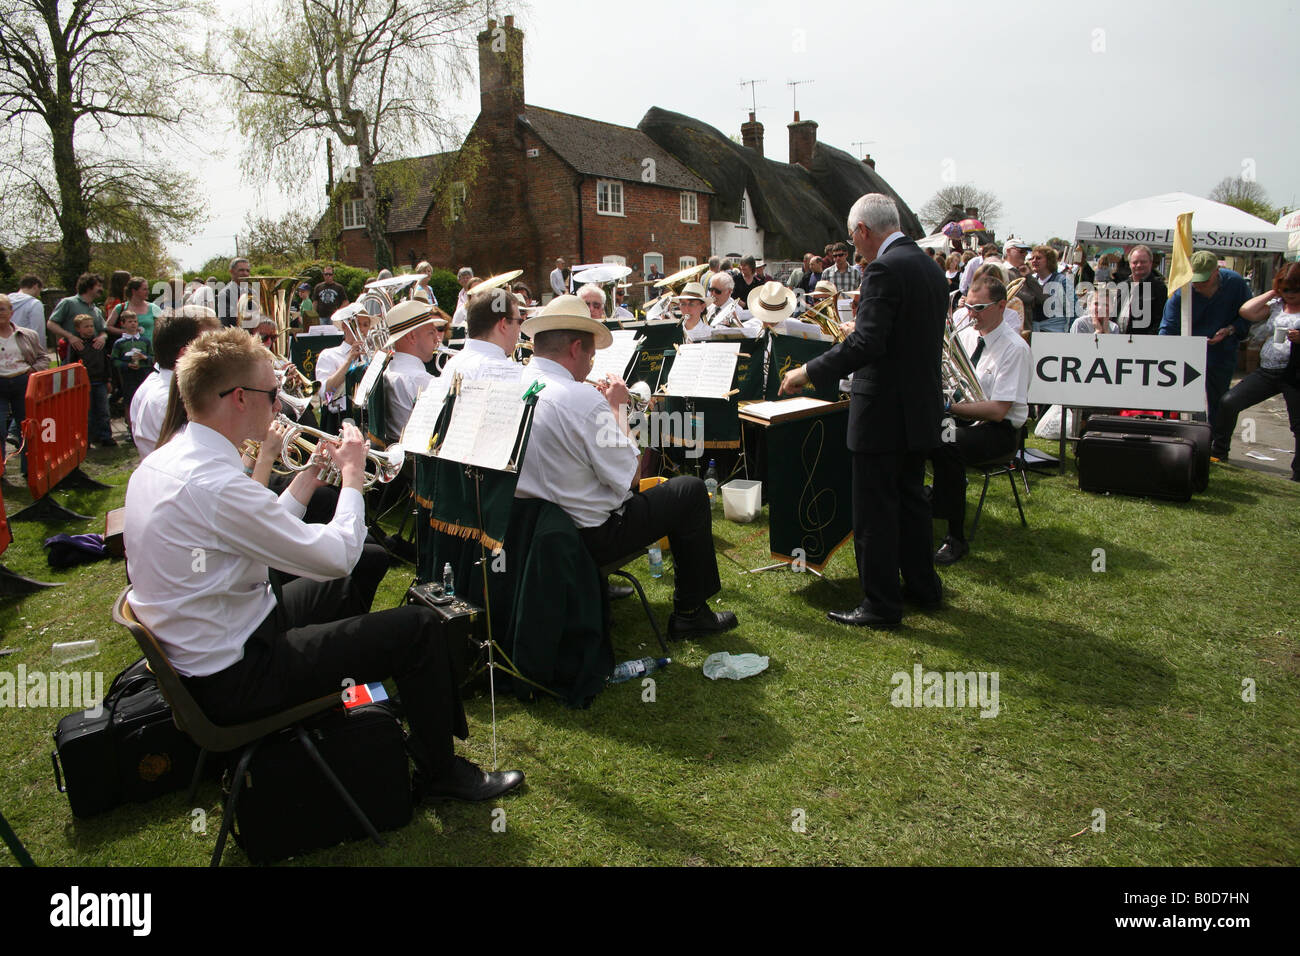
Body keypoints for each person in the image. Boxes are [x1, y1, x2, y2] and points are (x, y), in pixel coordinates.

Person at [125, 326, 522, 801]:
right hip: (235, 675)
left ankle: (359, 698)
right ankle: (441, 772)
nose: (279, 405)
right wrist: (353, 477)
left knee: (369, 562)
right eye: (272, 394)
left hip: (221, 639)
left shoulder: (175, 460)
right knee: (420, 627)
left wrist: (311, 478)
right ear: (236, 398)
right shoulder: (212, 481)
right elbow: (333, 557)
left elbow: (257, 524)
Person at [516, 294, 737, 639]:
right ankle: (691, 613)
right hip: (587, 535)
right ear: (575, 348)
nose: (590, 365)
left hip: (530, 529)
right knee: (690, 491)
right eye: (591, 355)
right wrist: (618, 409)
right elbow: (631, 478)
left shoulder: (514, 384)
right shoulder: (581, 398)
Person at [778, 193, 945, 629]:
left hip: (883, 410)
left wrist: (807, 372)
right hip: (919, 404)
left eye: (854, 237)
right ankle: (925, 588)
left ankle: (881, 605)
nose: (854, 247)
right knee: (912, 500)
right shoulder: (929, 265)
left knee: (873, 510)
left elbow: (869, 344)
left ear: (863, 231)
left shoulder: (884, 269)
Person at [929, 274, 1031, 565]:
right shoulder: (968, 335)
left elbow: (999, 410)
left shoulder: (1015, 348)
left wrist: (950, 407)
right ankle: (920, 505)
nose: (970, 314)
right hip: (964, 419)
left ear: (1001, 306)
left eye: (979, 308)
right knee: (915, 430)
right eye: (967, 306)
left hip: (999, 433)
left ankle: (955, 537)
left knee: (947, 445)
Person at [1211, 263, 1300, 479]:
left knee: (1298, 424)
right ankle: (1219, 451)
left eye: (1294, 290)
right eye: (1285, 289)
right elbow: (1246, 311)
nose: (1289, 295)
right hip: (1268, 369)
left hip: (1295, 373)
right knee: (1229, 402)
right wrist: (1273, 291)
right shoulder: (1277, 304)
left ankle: (1298, 473)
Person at [1159, 251, 1251, 422]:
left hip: (1221, 353)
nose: (1198, 285)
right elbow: (1167, 327)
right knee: (1182, 402)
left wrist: (1230, 329)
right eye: (1195, 279)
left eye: (1204, 280)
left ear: (1217, 271)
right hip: (1187, 354)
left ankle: (1217, 443)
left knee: (1221, 403)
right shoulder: (1182, 290)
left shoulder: (1236, 284)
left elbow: (1248, 316)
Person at [131, 307, 218, 458]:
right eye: (213, 348)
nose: (220, 354)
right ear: (185, 354)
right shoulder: (169, 399)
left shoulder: (154, 382)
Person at [382, 299, 447, 443]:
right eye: (431, 333)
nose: (437, 340)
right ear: (411, 336)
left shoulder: (390, 368)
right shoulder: (419, 379)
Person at [0, 294, 48, 477]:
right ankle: (1, 469)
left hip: (23, 384)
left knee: (27, 429)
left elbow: (43, 357)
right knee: (0, 429)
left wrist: (33, 370)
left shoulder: (27, 334)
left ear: (11, 312)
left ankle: (29, 469)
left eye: (2, 309)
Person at [314, 311, 371, 433]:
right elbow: (325, 394)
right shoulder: (329, 355)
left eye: (366, 325)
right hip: (340, 420)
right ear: (345, 326)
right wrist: (349, 361)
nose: (362, 330)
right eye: (357, 324)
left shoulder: (371, 356)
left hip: (368, 416)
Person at [70, 315, 114, 446]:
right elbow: (71, 364)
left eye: (91, 326)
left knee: (104, 411)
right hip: (84, 384)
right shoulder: (76, 346)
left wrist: (108, 380)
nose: (90, 329)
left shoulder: (99, 343)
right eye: (86, 326)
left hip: (100, 381)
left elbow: (106, 363)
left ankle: (106, 436)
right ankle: (87, 439)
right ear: (78, 329)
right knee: (86, 413)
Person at [111, 311, 154, 438]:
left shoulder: (145, 341)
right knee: (129, 401)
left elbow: (152, 358)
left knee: (145, 399)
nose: (133, 324)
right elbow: (114, 360)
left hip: (144, 373)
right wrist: (126, 365)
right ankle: (131, 428)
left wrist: (144, 357)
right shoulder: (119, 343)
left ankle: (146, 427)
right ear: (123, 324)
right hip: (128, 376)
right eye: (129, 322)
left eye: (135, 321)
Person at [48, 273, 106, 359]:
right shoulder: (68, 303)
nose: (101, 289)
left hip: (94, 357)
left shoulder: (96, 310)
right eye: (99, 286)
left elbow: (103, 331)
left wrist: (102, 337)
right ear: (88, 286)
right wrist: (70, 337)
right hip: (73, 355)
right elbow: (51, 324)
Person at [1117, 244, 1167, 334]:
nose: (1139, 265)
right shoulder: (1122, 286)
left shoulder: (1159, 287)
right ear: (1129, 264)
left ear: (1151, 263)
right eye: (1135, 262)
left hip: (1144, 342)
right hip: (1119, 340)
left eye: (1143, 262)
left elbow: (1160, 320)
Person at [1027, 245, 1075, 333]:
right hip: (1034, 331)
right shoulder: (1031, 280)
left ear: (1049, 261)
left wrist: (1069, 334)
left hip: (1055, 332)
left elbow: (1071, 310)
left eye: (1038, 258)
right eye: (1032, 258)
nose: (1034, 261)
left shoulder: (1062, 281)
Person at [106, 276, 161, 341]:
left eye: (147, 289)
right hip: (127, 349)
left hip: (149, 349)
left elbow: (163, 329)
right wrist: (125, 331)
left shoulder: (153, 308)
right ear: (134, 291)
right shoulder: (121, 308)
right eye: (144, 289)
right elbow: (107, 326)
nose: (148, 292)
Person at [9, 275, 46, 339]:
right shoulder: (34, 304)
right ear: (36, 286)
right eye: (40, 290)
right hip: (26, 345)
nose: (39, 294)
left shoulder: (5, 301)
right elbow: (38, 332)